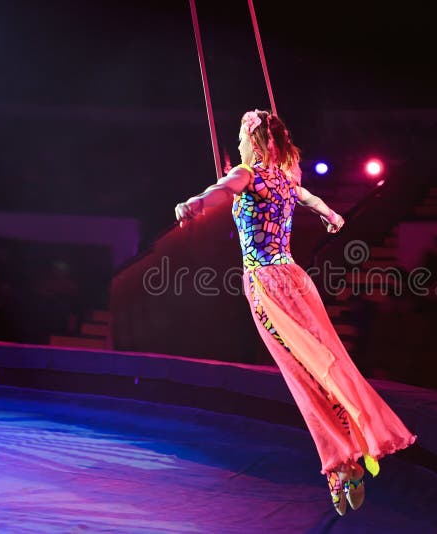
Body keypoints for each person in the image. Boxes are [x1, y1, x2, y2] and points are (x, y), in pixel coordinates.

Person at [174, 109, 416, 516]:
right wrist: (332, 215)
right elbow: (311, 199)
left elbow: (221, 187)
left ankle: (343, 463)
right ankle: (350, 452)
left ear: (255, 141)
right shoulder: (288, 179)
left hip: (268, 286)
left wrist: (195, 202)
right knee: (325, 364)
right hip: (297, 280)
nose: (236, 145)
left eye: (240, 137)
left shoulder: (247, 175)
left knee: (304, 375)